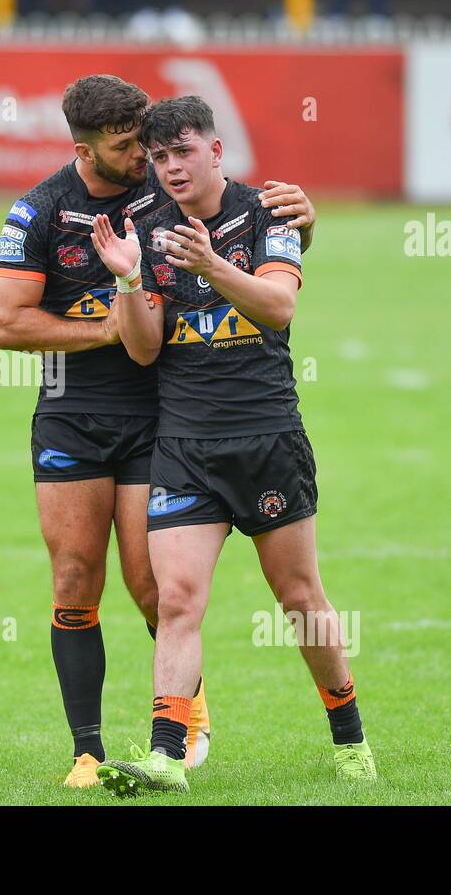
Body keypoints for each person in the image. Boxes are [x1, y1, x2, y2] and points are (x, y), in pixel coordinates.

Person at [0, 76, 315, 788]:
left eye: (149, 141)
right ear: (85, 148)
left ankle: (181, 722)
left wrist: (303, 219)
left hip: (160, 413)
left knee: (149, 584)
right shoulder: (40, 209)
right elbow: (7, 323)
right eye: (127, 145)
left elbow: (242, 213)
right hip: (71, 413)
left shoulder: (160, 194)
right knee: (74, 576)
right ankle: (87, 750)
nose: (144, 155)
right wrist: (106, 327)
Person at [88, 96, 373, 796]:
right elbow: (147, 351)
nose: (171, 168)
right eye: (158, 158)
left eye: (183, 152)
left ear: (216, 151)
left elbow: (278, 307)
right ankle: (165, 755)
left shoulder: (267, 212)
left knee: (300, 597)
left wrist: (212, 265)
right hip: (185, 444)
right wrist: (128, 277)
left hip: (267, 437)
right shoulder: (147, 228)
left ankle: (350, 738)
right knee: (177, 598)